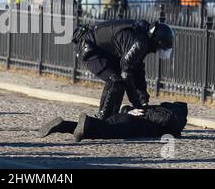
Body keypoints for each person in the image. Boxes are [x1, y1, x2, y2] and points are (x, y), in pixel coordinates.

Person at [71, 20, 175, 120]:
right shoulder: (140, 43)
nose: (158, 51)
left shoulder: (143, 39)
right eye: (160, 48)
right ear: (157, 42)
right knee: (115, 80)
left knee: (119, 80)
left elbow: (137, 70)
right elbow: (126, 73)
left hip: (101, 50)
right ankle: (102, 118)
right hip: (88, 46)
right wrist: (136, 103)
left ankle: (112, 118)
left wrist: (143, 101)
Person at [38, 102, 188, 142]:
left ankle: (64, 125)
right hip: (132, 125)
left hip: (124, 117)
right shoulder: (172, 118)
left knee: (102, 127)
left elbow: (129, 107)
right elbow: (166, 121)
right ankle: (86, 123)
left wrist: (135, 111)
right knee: (105, 131)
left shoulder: (159, 108)